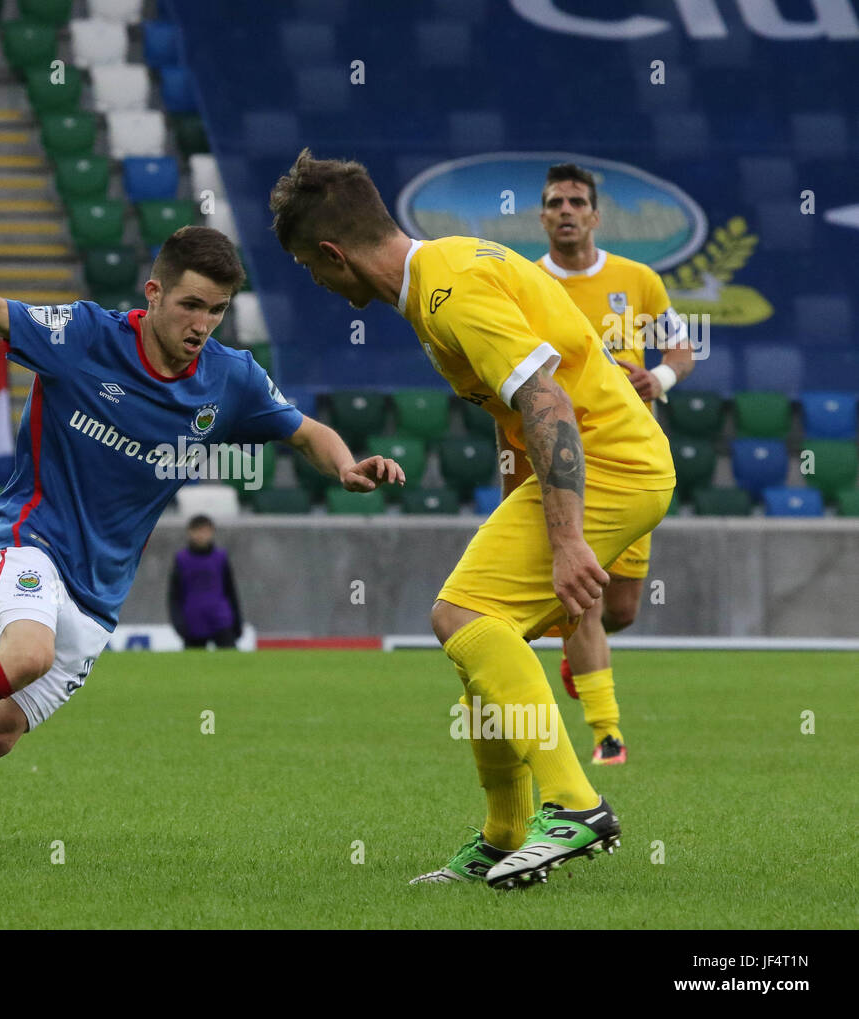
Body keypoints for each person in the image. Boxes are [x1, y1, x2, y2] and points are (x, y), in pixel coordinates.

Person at [0, 226, 404, 865]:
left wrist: (346, 465)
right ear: (154, 293)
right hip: (31, 539)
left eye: (216, 310)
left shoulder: (229, 379)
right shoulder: (84, 335)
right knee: (27, 657)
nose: (202, 324)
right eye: (190, 305)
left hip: (101, 591)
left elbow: (304, 430)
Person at [269, 150, 674, 889]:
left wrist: (567, 538)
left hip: (614, 461)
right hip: (607, 457)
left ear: (333, 253)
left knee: (461, 613)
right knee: (480, 635)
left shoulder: (448, 291)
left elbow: (547, 401)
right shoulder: (442, 274)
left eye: (309, 268)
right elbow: (516, 407)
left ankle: (575, 803)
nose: (318, 283)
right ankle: (503, 837)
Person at [512, 162, 696, 765]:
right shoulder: (521, 281)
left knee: (620, 609)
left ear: (594, 214)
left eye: (576, 201)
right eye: (554, 202)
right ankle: (607, 735)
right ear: (541, 216)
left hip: (628, 455)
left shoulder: (637, 280)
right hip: (560, 458)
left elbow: (681, 345)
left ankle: (572, 650)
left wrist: (660, 375)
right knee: (582, 600)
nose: (565, 210)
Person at [168, 515, 242, 648]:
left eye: (205, 531)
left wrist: (237, 622)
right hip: (193, 620)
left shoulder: (221, 557)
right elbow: (175, 595)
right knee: (193, 666)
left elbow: (230, 591)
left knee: (230, 661)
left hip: (220, 618)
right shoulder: (181, 559)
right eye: (197, 531)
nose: (201, 535)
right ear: (189, 532)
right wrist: (178, 622)